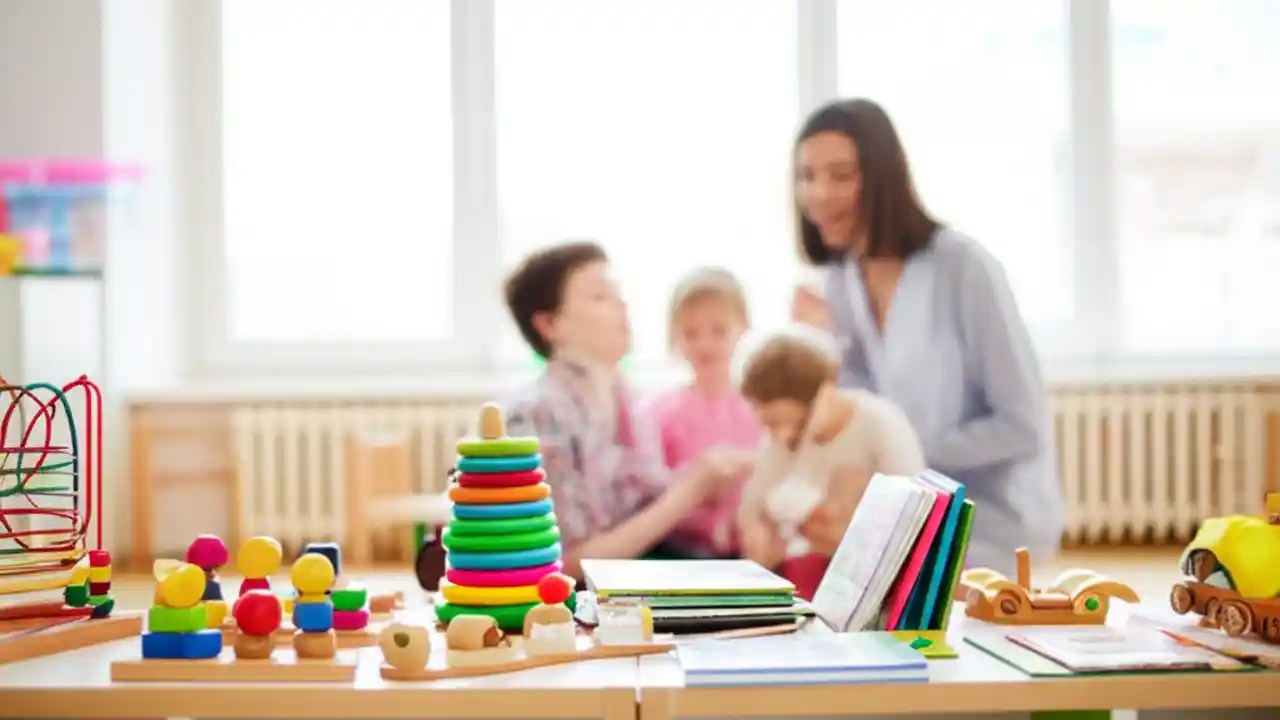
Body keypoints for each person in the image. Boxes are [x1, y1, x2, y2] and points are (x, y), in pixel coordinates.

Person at [788, 98, 1064, 574]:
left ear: (881, 179)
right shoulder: (842, 280)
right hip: (903, 506)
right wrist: (817, 352)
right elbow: (863, 406)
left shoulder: (963, 267)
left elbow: (1021, 425)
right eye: (807, 176)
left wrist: (895, 460)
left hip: (990, 518)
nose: (818, 195)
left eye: (841, 175)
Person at [501, 241, 748, 580]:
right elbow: (563, 569)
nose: (621, 305)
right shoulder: (533, 415)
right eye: (600, 296)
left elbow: (653, 510)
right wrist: (691, 490)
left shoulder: (630, 401)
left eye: (618, 293)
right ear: (549, 324)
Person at [736, 326, 925, 599]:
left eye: (784, 423)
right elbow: (753, 507)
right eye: (770, 424)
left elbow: (915, 514)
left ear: (823, 396)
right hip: (818, 568)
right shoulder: (779, 442)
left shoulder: (879, 423)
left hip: (882, 569)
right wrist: (759, 535)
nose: (780, 436)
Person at [645, 268, 761, 559]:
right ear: (674, 337)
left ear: (743, 327)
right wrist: (697, 479)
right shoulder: (659, 412)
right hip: (681, 553)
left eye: (718, 330)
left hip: (752, 550)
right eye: (690, 333)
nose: (705, 344)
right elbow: (650, 490)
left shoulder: (761, 408)